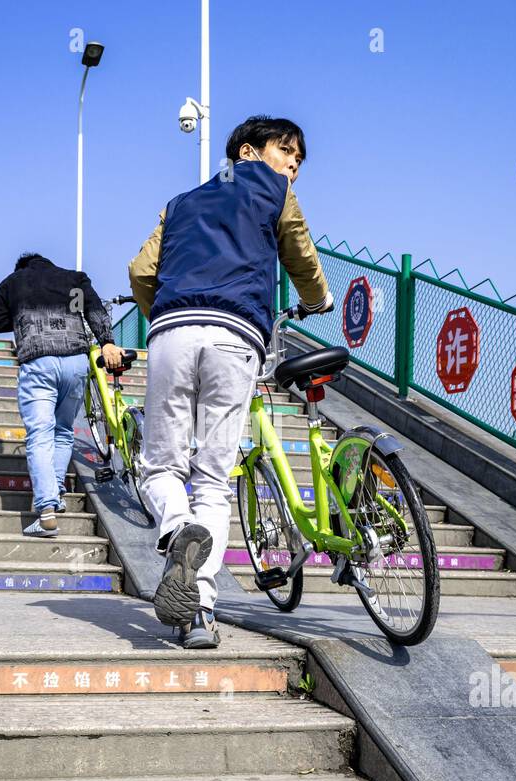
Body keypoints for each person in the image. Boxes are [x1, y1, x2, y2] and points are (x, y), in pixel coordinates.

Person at [128, 116, 333, 649]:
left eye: (299, 159)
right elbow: (301, 254)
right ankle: (202, 613)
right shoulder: (276, 191)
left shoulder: (179, 204)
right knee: (214, 479)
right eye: (285, 151)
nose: (293, 164)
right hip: (236, 334)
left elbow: (140, 272)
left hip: (172, 332)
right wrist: (318, 300)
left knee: (159, 465)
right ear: (247, 151)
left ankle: (175, 529)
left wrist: (167, 314)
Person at [0, 252, 122, 537]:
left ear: (21, 267)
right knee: (63, 431)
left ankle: (47, 510)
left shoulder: (11, 283)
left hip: (38, 361)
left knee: (40, 433)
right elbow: (96, 310)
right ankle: (57, 492)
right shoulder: (74, 278)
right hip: (75, 361)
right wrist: (107, 342)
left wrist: (22, 314)